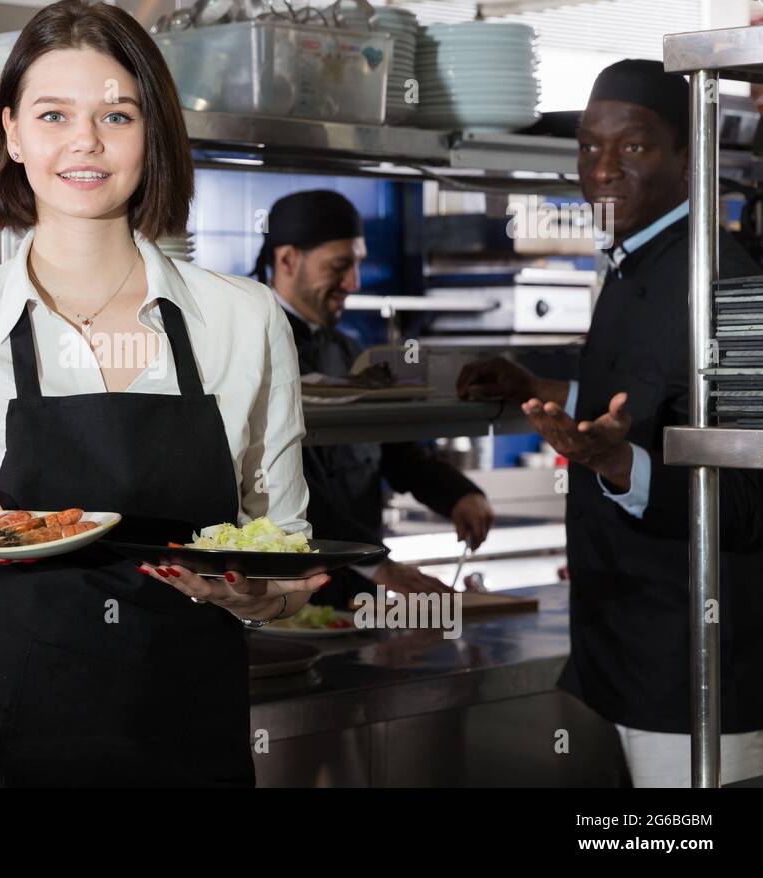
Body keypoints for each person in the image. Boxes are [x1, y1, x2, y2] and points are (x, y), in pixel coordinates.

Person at [0, 0, 327, 787]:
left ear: (152, 133)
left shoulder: (244, 319)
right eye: (53, 115)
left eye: (117, 116)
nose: (84, 141)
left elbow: (281, 559)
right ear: (11, 132)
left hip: (185, 741)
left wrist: (250, 596)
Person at [458, 59, 763, 786]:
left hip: (695, 676)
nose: (602, 169)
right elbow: (652, 400)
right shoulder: (630, 263)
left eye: (634, 146)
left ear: (689, 158)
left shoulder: (730, 282)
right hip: (618, 655)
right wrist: (546, 389)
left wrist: (619, 466)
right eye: (588, 147)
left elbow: (751, 499)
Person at [252, 190, 494, 606]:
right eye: (340, 266)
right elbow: (272, 487)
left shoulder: (349, 353)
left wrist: (457, 492)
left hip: (364, 595)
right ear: (288, 259)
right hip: (287, 599)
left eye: (358, 264)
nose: (354, 283)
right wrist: (376, 564)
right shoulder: (248, 348)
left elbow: (399, 454)